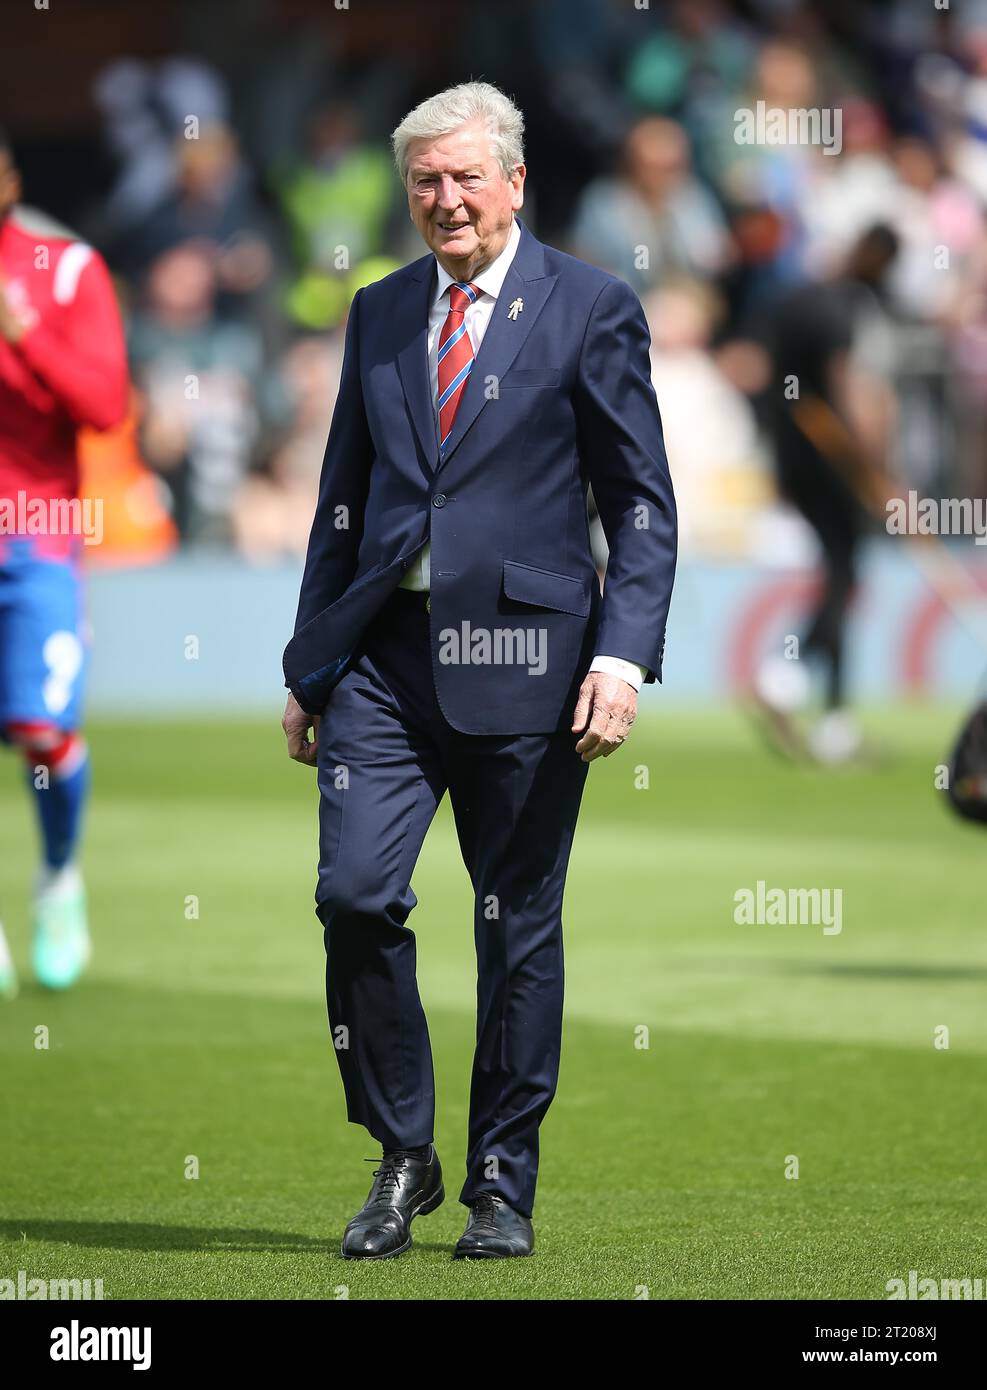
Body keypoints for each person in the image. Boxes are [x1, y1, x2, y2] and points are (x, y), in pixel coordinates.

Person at [281, 83, 677, 1260]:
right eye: (424, 183)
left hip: (532, 664)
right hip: (385, 669)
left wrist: (622, 655)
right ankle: (403, 1152)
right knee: (354, 897)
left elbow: (641, 507)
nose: (444, 200)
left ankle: (504, 1183)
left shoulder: (593, 307)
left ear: (513, 181)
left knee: (516, 930)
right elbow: (340, 505)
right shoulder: (379, 311)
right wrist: (312, 662)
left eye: (464, 178)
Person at [0, 128, 129, 996]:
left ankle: (57, 879)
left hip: (35, 531)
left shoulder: (66, 270)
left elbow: (105, 402)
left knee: (43, 733)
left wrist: (25, 333)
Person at [754, 223, 899, 763]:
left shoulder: (798, 300)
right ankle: (784, 676)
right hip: (829, 451)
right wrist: (878, 472)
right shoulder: (841, 309)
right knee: (844, 573)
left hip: (795, 451)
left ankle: (835, 716)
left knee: (842, 573)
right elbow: (849, 389)